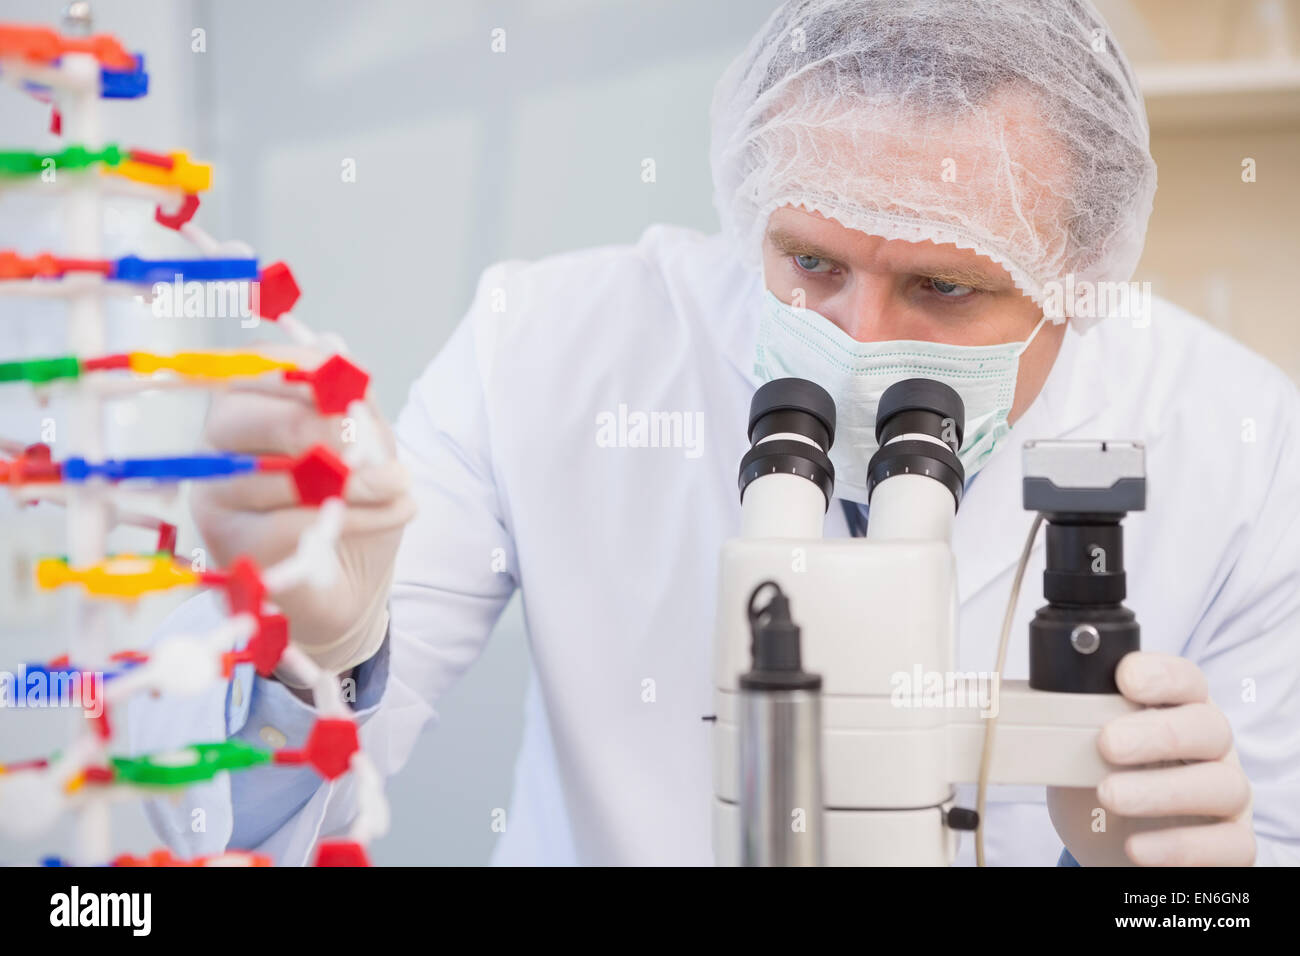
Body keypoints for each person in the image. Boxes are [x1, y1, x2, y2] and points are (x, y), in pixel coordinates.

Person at [131, 0, 1299, 865]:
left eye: (943, 287)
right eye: (811, 263)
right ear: (751, 200)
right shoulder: (546, 347)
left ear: (1077, 278)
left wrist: (1179, 891)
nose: (859, 337)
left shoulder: (1242, 449)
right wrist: (308, 658)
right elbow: (224, 835)